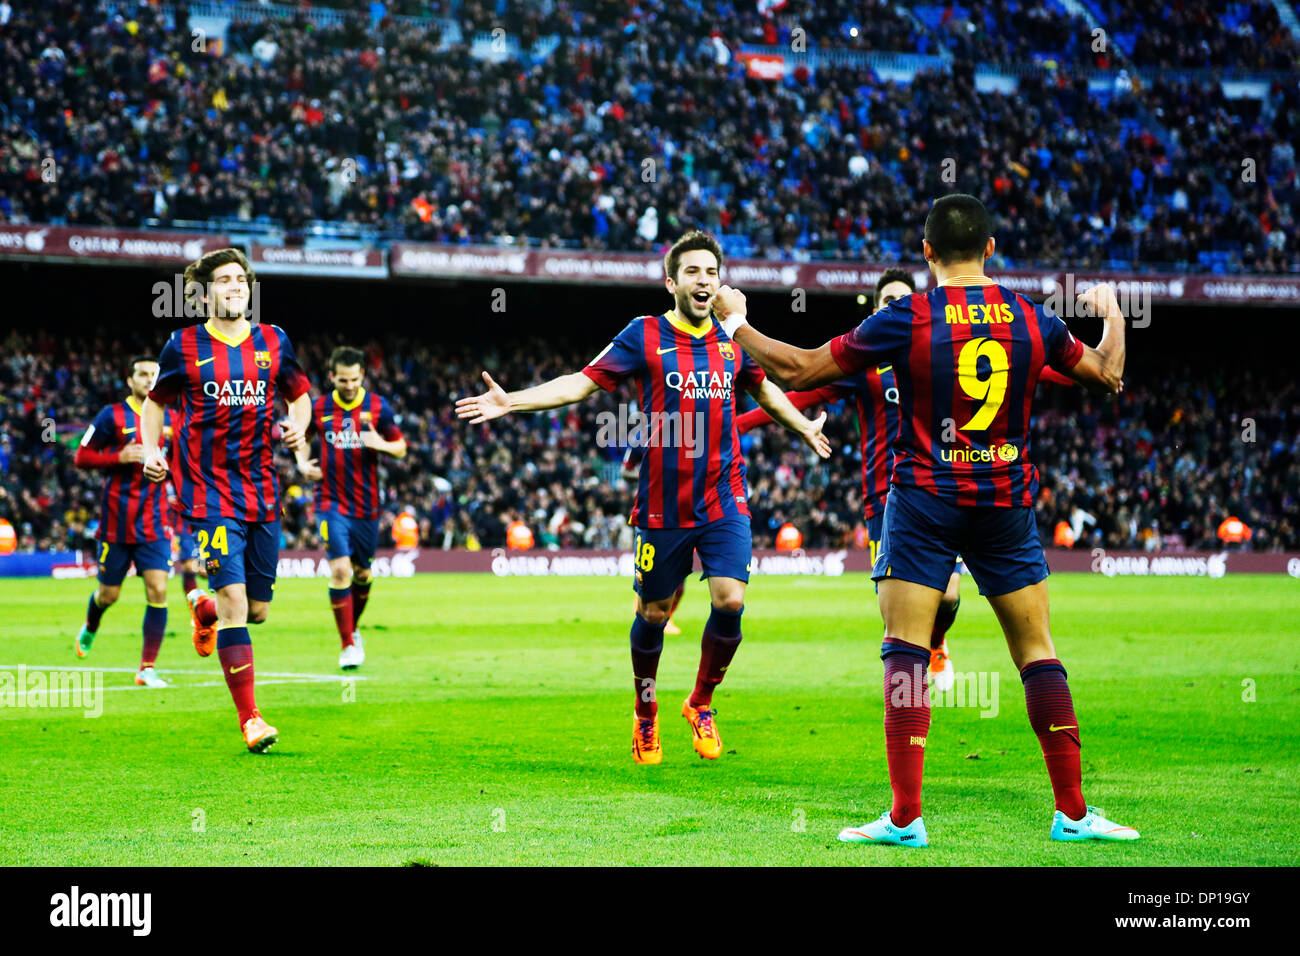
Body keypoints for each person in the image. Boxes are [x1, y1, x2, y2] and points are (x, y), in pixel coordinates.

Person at [714, 194, 1138, 845]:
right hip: (1004, 502)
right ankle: (1074, 814)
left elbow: (797, 367)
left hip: (922, 502)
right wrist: (1112, 316)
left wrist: (737, 323)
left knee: (907, 656)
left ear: (927, 253)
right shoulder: (1031, 318)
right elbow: (1108, 375)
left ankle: (907, 819)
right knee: (1036, 654)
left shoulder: (908, 317)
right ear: (990, 249)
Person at [457, 230, 830, 765]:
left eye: (711, 273)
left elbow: (764, 387)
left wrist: (801, 427)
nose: (703, 281)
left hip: (725, 495)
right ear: (671, 281)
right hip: (662, 505)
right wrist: (512, 402)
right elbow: (582, 383)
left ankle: (700, 704)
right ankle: (646, 712)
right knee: (653, 613)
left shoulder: (730, 339)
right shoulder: (644, 335)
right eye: (693, 272)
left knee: (730, 601)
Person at [140, 248, 312, 753]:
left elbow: (299, 396)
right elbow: (155, 406)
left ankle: (205, 609)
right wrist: (151, 451)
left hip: (261, 490)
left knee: (255, 611)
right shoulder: (184, 344)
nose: (236, 287)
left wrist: (297, 428)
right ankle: (251, 720)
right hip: (208, 492)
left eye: (242, 280)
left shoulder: (273, 341)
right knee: (239, 603)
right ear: (204, 292)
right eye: (225, 281)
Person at [295, 346, 406, 669]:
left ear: (363, 376)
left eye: (354, 379)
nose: (348, 385)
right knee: (340, 570)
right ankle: (346, 645)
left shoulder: (377, 406)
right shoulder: (319, 407)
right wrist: (303, 465)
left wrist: (381, 444)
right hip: (330, 502)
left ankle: (353, 629)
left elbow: (400, 447)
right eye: (342, 380)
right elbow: (300, 439)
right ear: (332, 377)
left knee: (362, 573)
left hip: (367, 505)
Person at [73, 356, 173, 688]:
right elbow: (81, 456)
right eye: (142, 374)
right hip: (116, 523)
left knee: (158, 588)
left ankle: (147, 668)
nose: (149, 380)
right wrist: (117, 457)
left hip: (155, 522)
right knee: (108, 595)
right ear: (129, 380)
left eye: (154, 375)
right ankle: (90, 626)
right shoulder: (111, 416)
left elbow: (182, 461)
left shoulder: (170, 417)